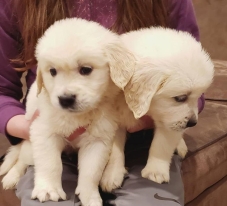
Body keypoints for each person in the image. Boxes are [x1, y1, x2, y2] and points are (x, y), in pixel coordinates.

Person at [0, 0, 203, 205]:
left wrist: (147, 119)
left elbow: (193, 80)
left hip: (140, 142)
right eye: (52, 71)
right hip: (56, 141)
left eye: (85, 70)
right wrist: (33, 128)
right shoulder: (16, 4)